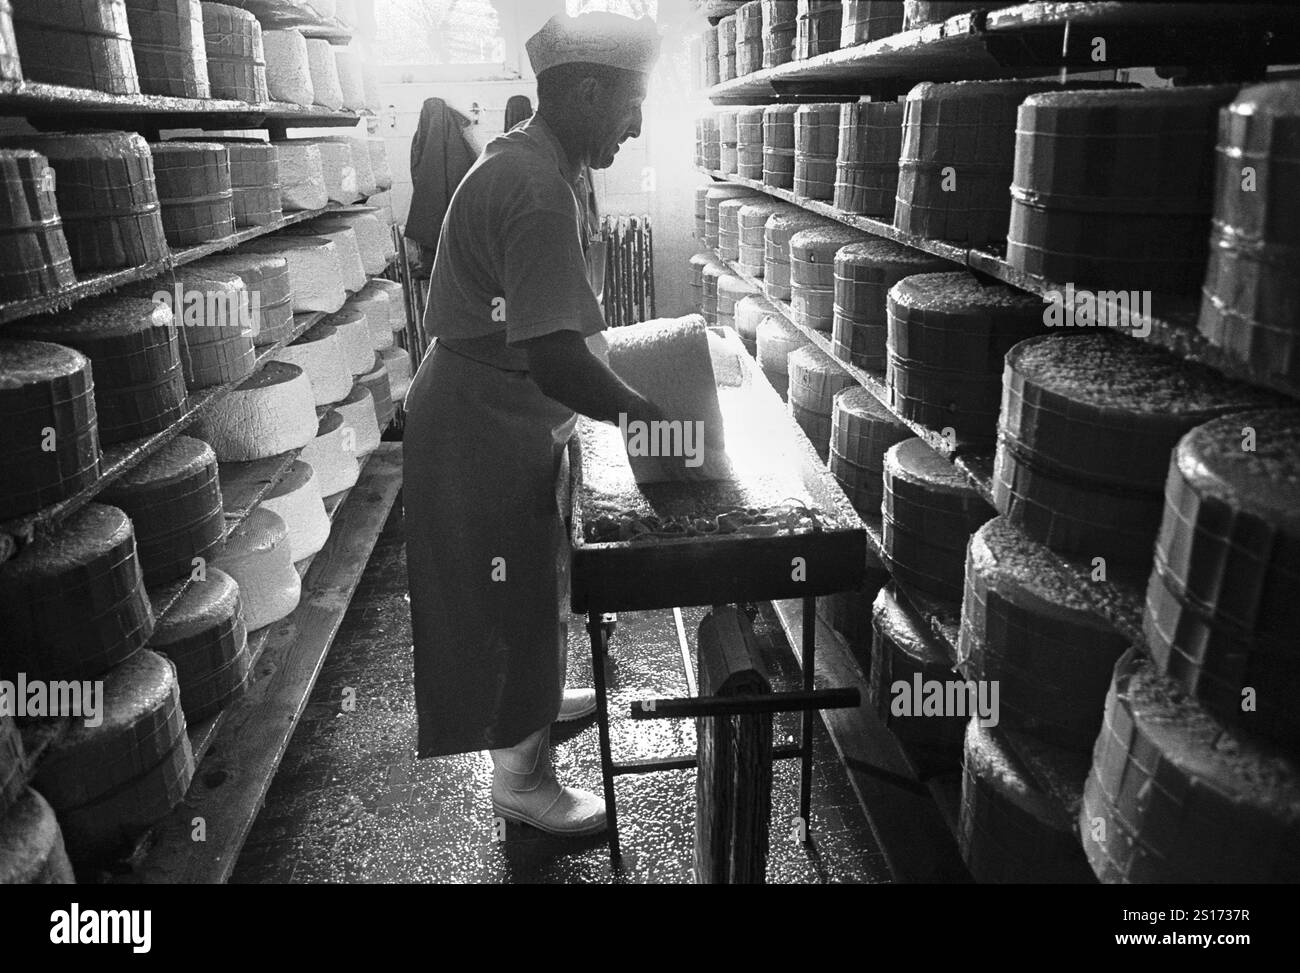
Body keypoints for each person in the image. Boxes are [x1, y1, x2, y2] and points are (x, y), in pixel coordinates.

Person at [402, 11, 669, 837]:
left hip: (508, 409)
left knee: (538, 574)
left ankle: (538, 703)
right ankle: (521, 780)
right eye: (632, 103)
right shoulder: (535, 185)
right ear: (587, 90)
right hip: (479, 422)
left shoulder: (552, 160)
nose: (636, 124)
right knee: (505, 590)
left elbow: (564, 322)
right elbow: (556, 358)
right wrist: (648, 417)